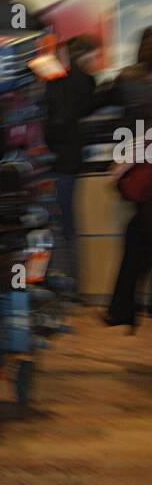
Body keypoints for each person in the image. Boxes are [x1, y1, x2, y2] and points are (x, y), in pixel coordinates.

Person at [43, 34, 101, 290]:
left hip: (49, 162)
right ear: (83, 54)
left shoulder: (53, 82)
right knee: (68, 226)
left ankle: (57, 286)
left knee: (53, 226)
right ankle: (73, 286)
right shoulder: (86, 81)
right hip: (70, 162)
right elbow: (85, 111)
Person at [103, 29, 152, 329]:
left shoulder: (127, 79)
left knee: (137, 239)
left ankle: (122, 310)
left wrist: (121, 165)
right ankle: (122, 310)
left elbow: (125, 125)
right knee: (139, 239)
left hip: (141, 170)